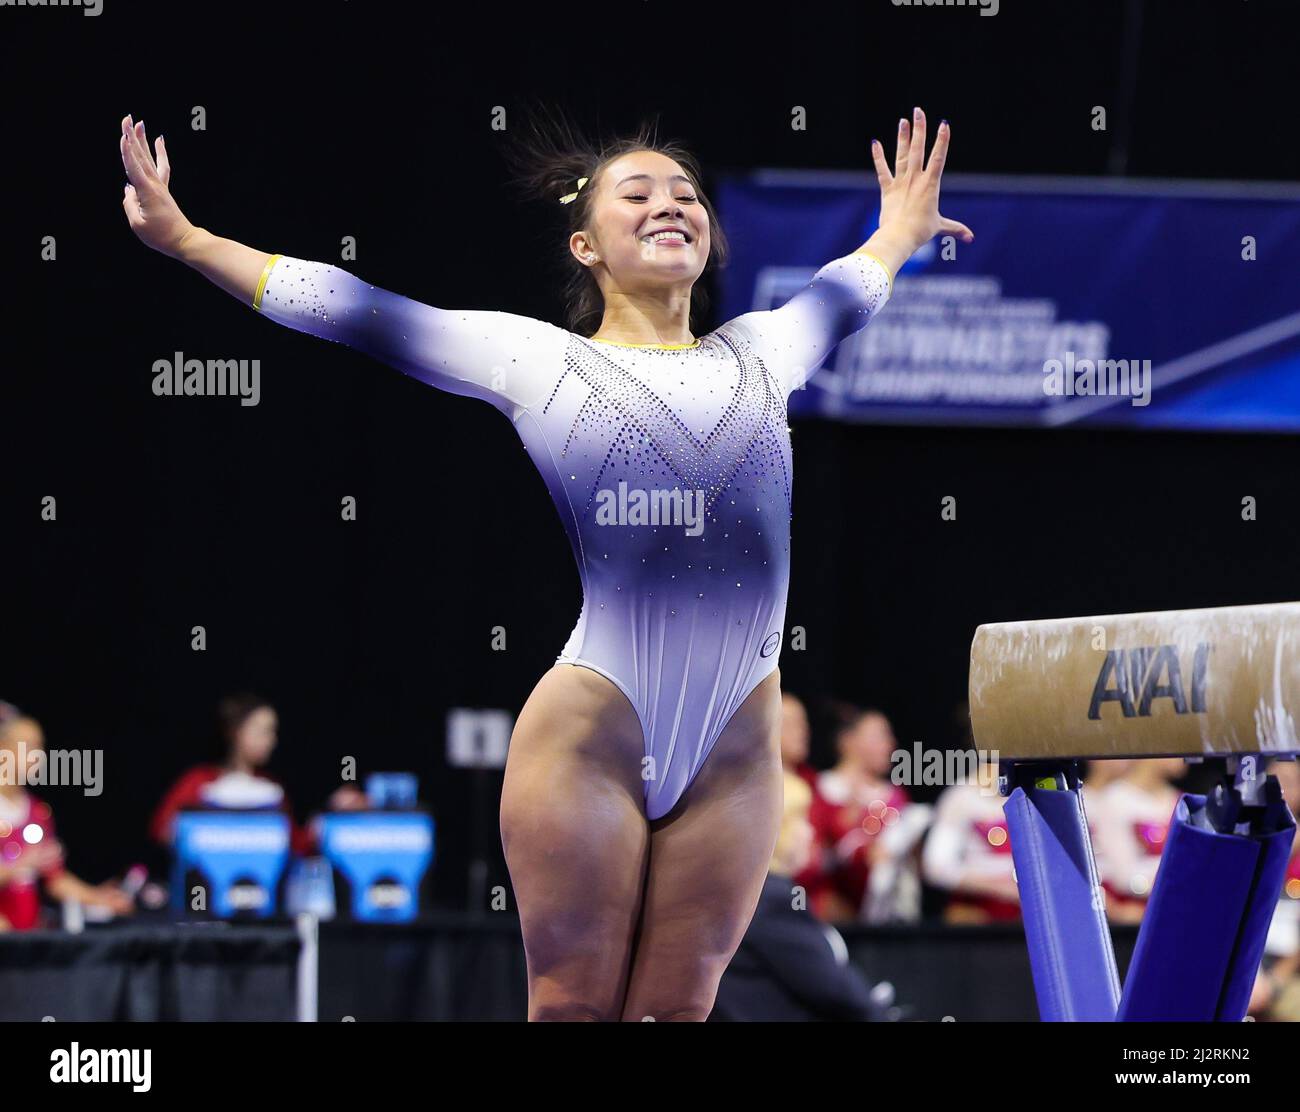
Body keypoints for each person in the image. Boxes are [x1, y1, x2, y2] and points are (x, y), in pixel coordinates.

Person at [119, 105, 970, 1020]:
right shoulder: (540, 360)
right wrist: (192, 239)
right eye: (635, 194)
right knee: (572, 1009)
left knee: (674, 1014)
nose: (668, 204)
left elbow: (852, 286)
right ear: (585, 245)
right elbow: (356, 309)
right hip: (593, 735)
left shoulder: (765, 348)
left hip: (735, 752)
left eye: (685, 193)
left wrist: (900, 230)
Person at [712, 773, 891, 1021]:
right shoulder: (772, 900)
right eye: (801, 821)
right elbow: (833, 988)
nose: (810, 833)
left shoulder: (744, 893)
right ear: (774, 828)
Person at [0, 715, 134, 930]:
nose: (37, 755)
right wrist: (18, 866)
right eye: (27, 746)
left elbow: (55, 879)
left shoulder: (37, 811)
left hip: (26, 941)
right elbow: (23, 866)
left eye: (40, 746)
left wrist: (97, 897)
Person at [149, 694, 312, 854]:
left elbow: (294, 842)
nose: (271, 740)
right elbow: (161, 830)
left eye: (272, 732)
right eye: (263, 731)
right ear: (235, 732)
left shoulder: (271, 788)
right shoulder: (199, 781)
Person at [804, 707, 912, 920]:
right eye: (878, 736)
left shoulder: (896, 796)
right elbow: (810, 856)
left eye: (888, 736)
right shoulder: (820, 789)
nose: (889, 744)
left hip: (885, 918)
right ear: (847, 741)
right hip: (829, 912)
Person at [1091, 757, 1185, 923]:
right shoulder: (1115, 799)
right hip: (1132, 916)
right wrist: (1169, 882)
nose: (1185, 756)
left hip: (1174, 906)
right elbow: (1121, 875)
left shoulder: (1180, 801)